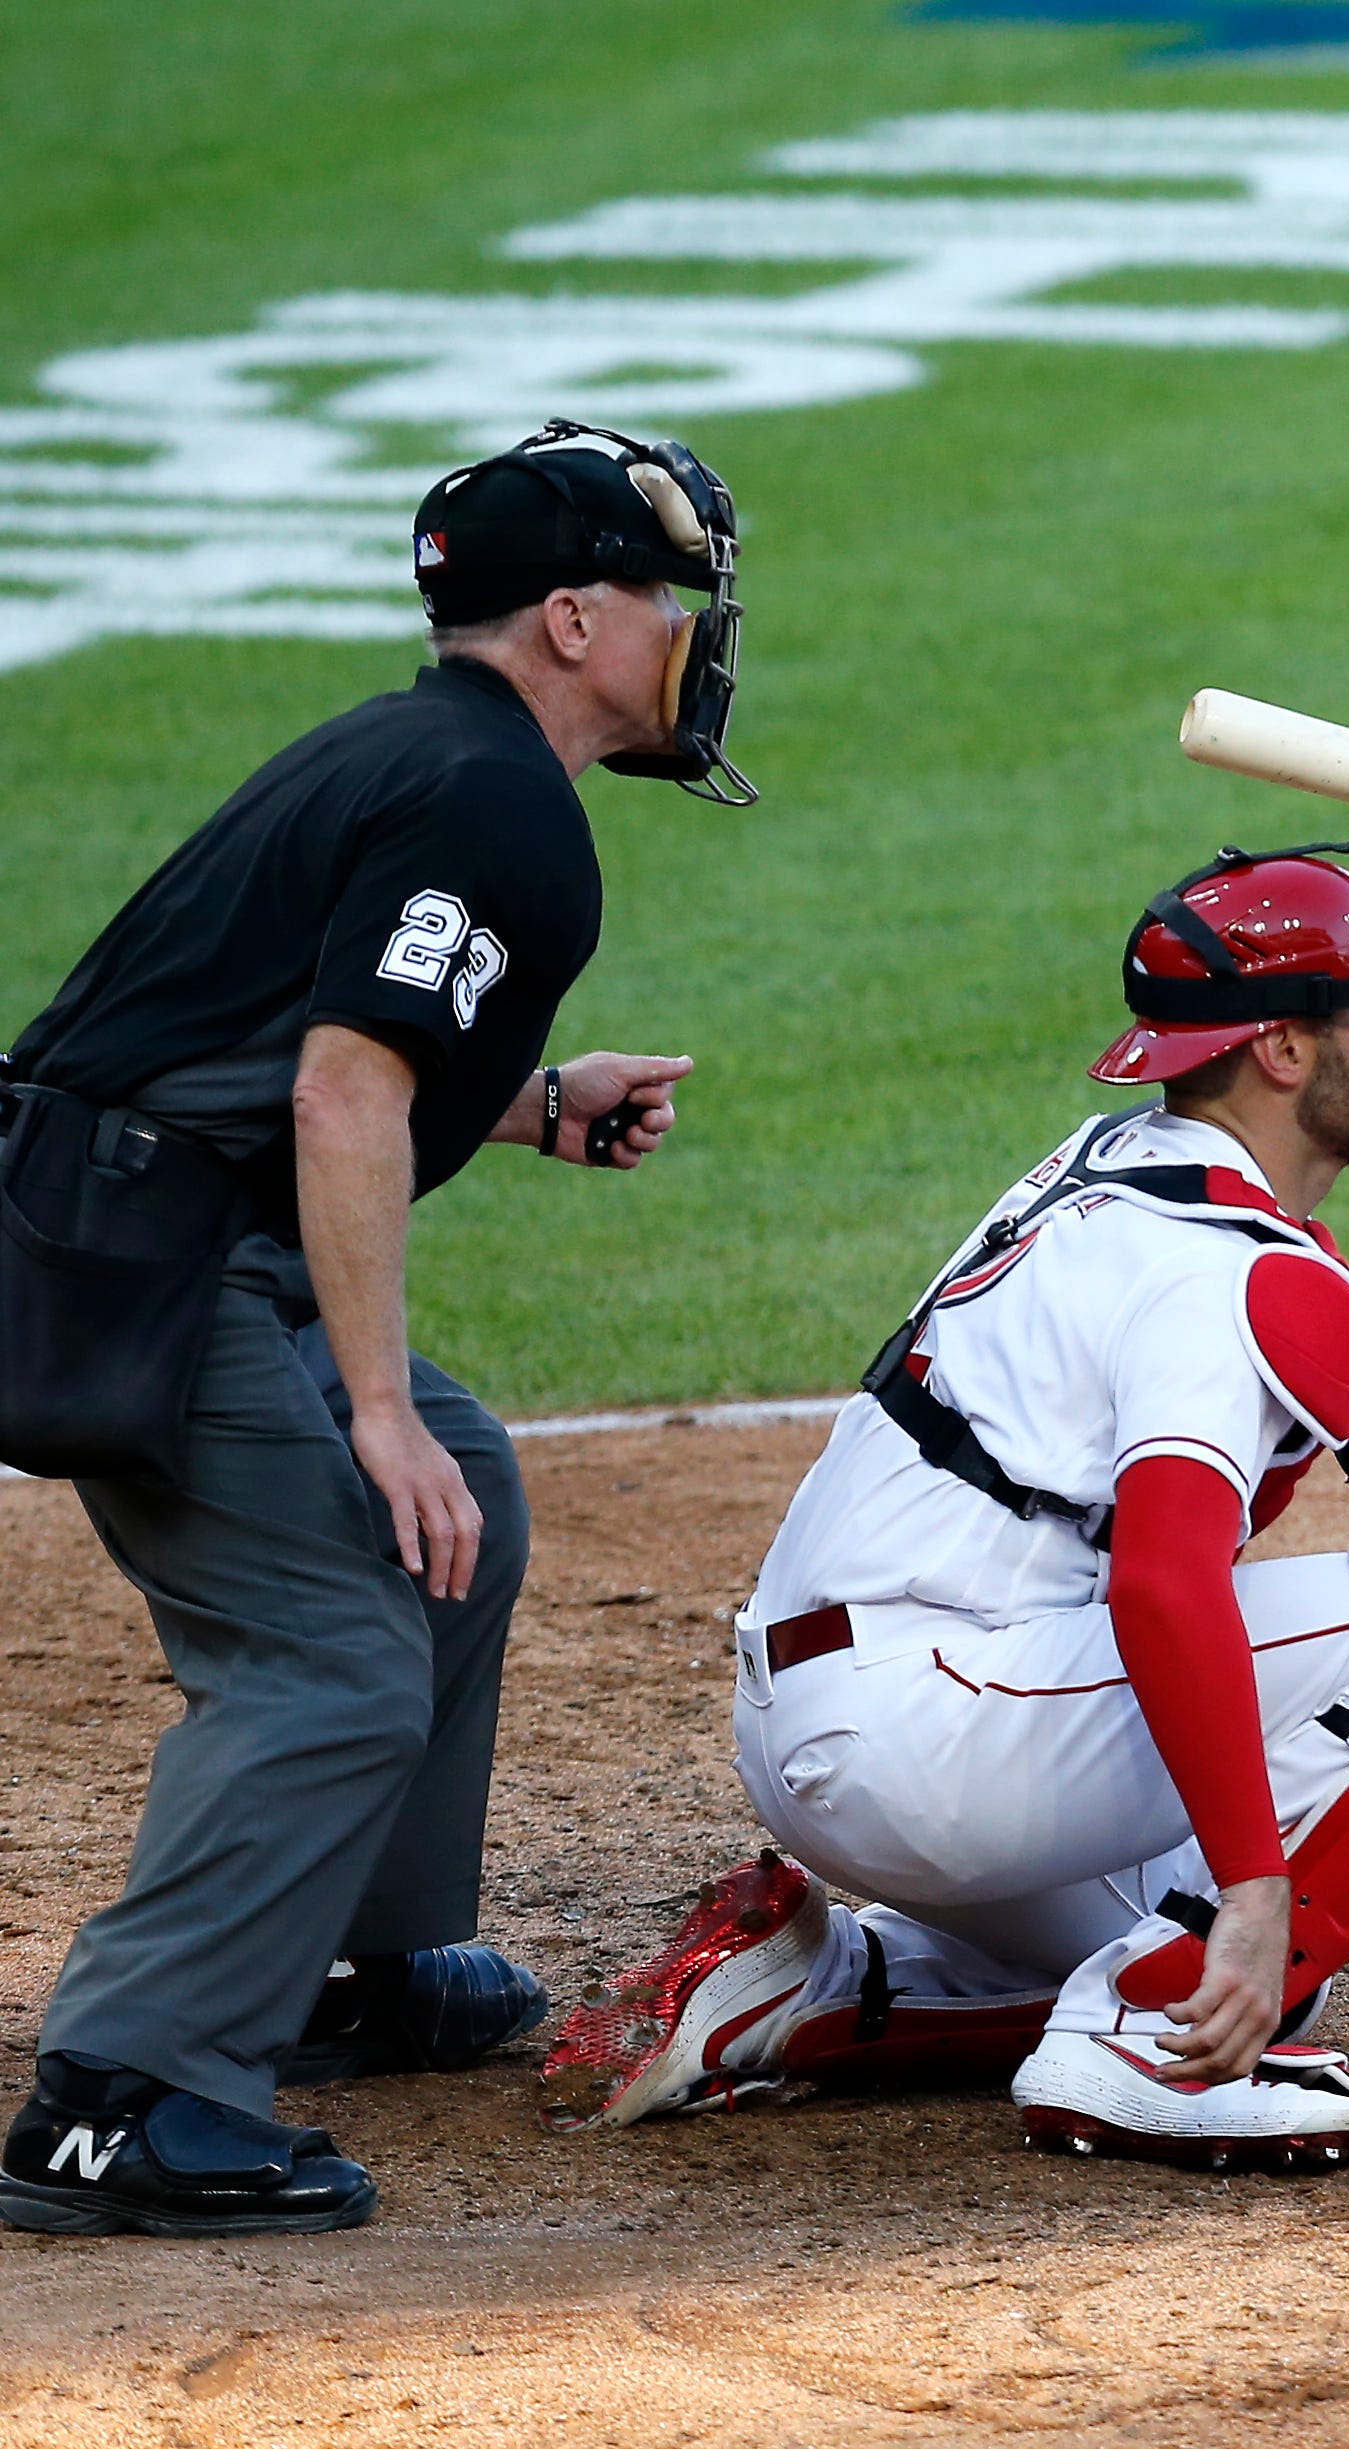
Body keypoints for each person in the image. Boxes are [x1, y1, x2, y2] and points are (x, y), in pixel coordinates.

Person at [535, 846, 1349, 2171]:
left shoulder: (1122, 1159)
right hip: (940, 1728)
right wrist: (1254, 1890)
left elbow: (1263, 1295)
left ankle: (811, 1985)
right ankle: (1136, 2048)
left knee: (1238, 1961)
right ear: (1277, 1050)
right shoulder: (1224, 1273)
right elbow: (1162, 1580)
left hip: (862, 1709)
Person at [0, 422, 746, 2234]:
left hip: (133, 1211)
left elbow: (294, 1036)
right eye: (666, 599)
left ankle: (356, 1958)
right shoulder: (489, 800)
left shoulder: (438, 759)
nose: (691, 634)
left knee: (463, 1474)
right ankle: (121, 2094)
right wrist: (369, 1409)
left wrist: (538, 1098)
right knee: (330, 1645)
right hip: (139, 1252)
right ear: (571, 618)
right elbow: (338, 1095)